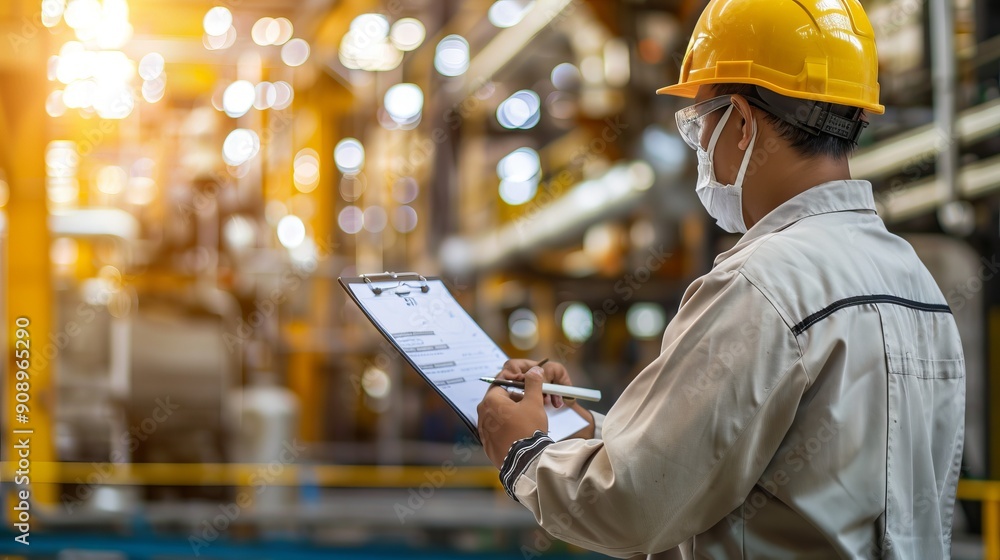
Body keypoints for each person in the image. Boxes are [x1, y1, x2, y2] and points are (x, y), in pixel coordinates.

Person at [476, 0, 966, 558]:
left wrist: (524, 452)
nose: (698, 145)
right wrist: (587, 435)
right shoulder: (918, 283)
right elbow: (743, 454)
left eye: (698, 122)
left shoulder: (761, 284)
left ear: (739, 121)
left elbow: (632, 506)